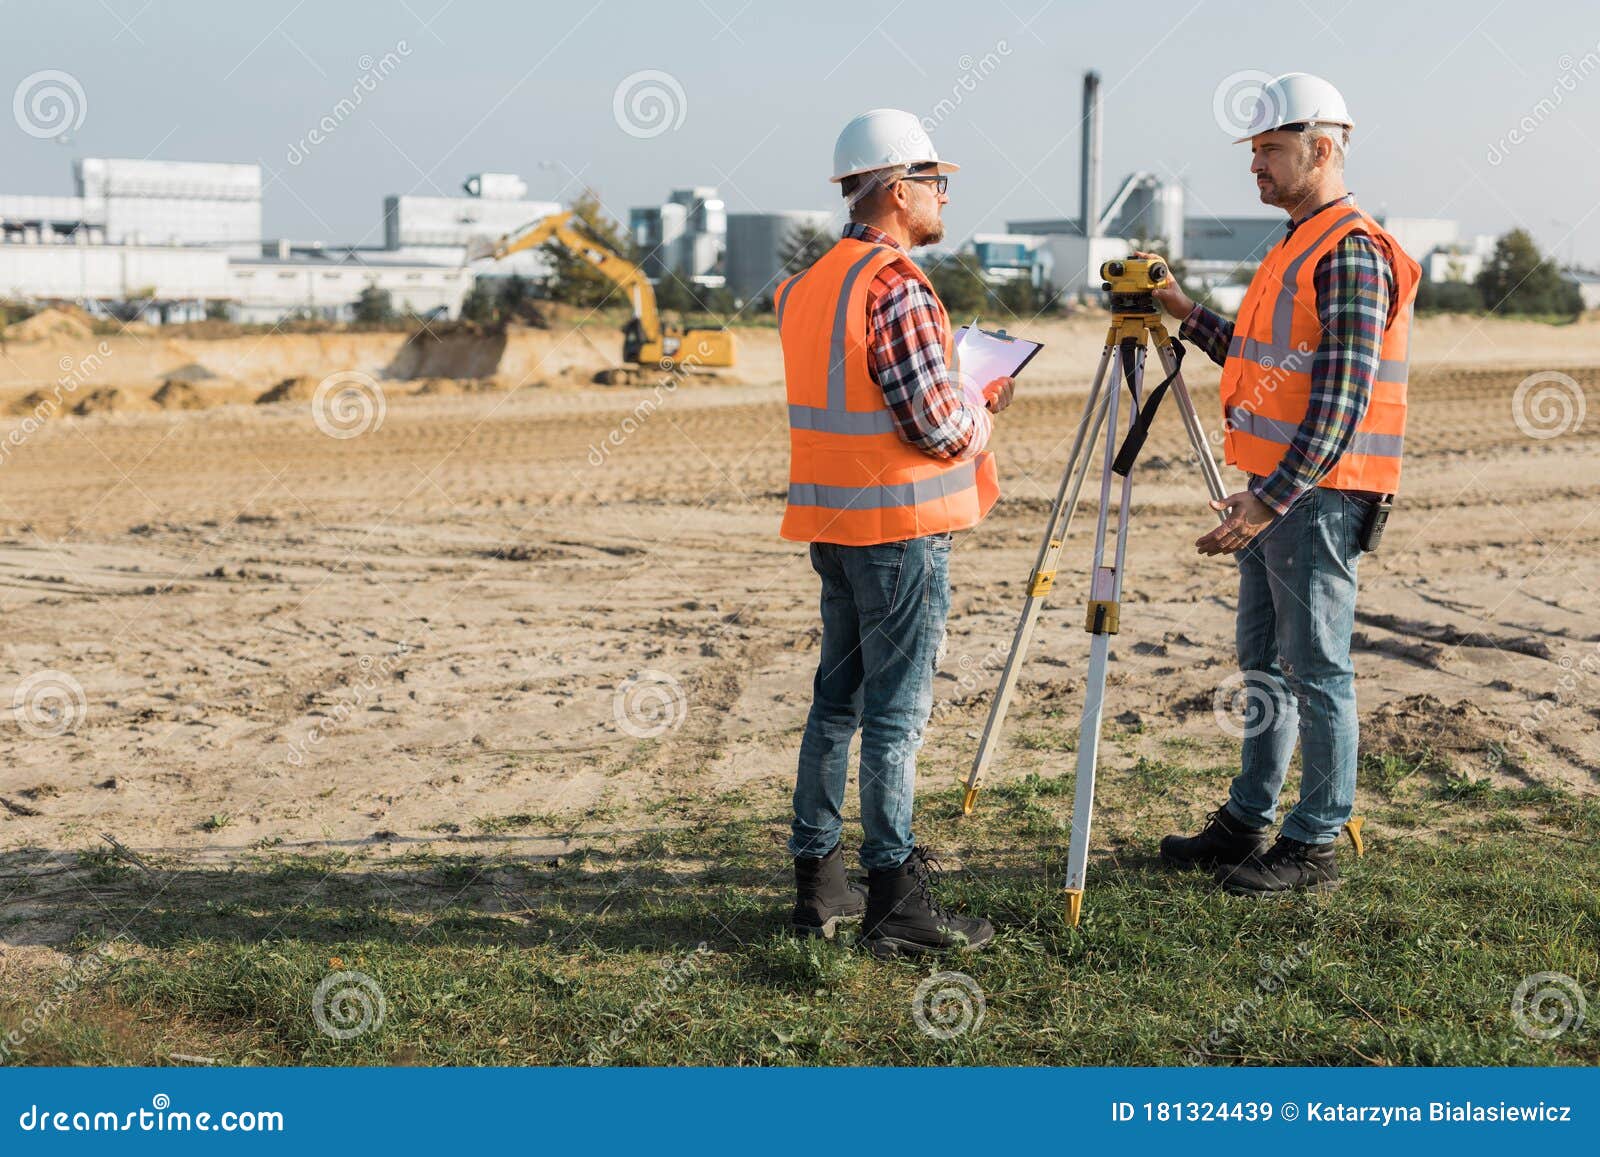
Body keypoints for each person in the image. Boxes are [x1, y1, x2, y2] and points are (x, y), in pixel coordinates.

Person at [1141, 74, 1420, 895]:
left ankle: (1315, 841)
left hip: (1319, 494)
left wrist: (1273, 497)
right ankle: (1247, 820)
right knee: (1262, 662)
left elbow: (1341, 393)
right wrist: (1181, 310)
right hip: (1280, 488)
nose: (1255, 166)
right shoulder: (1297, 242)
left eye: (1270, 150)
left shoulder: (1349, 250)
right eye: (1254, 150)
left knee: (1317, 667)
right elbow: (1268, 368)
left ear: (1322, 149)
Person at [777, 109, 1014, 955]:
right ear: (899, 188)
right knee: (897, 716)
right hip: (899, 531)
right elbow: (936, 427)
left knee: (834, 703)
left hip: (834, 524)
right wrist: (983, 403)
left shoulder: (809, 284)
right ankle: (896, 902)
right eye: (936, 181)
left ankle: (820, 884)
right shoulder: (896, 284)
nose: (945, 194)